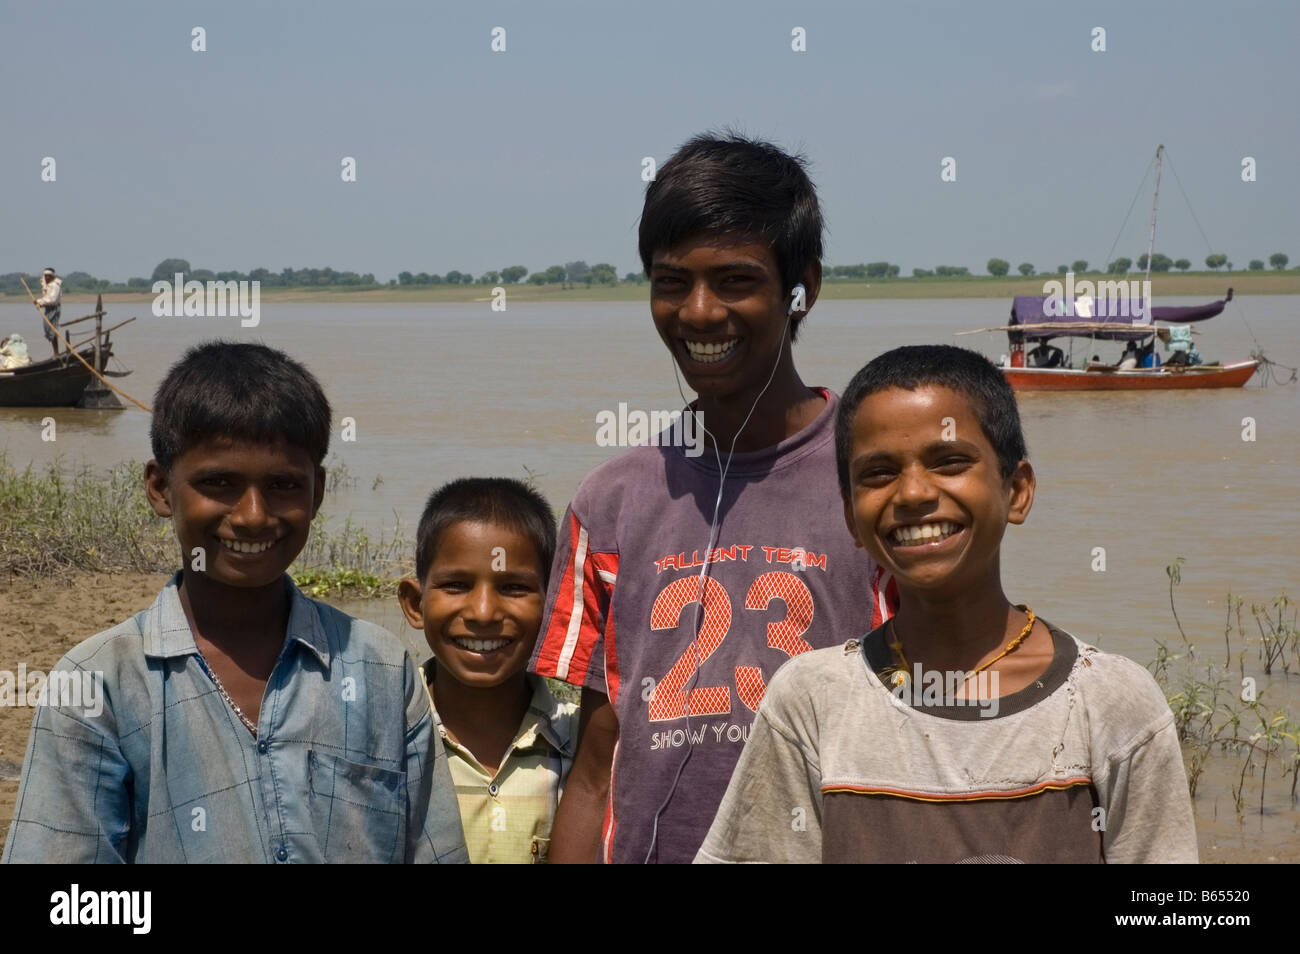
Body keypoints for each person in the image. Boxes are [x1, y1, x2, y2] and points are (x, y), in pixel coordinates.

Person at [531, 132, 896, 864]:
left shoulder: (878, 483)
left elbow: (926, 732)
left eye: (735, 281)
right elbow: (598, 766)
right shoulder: (611, 502)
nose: (699, 312)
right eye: (672, 282)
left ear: (803, 289)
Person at [696, 345, 1197, 863]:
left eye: (950, 462)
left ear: (1017, 490)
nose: (912, 493)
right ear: (850, 517)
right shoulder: (813, 700)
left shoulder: (1110, 702)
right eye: (878, 473)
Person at [3, 341, 468, 864]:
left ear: (316, 493)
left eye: (282, 485)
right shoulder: (97, 686)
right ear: (160, 489)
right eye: (219, 482)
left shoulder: (381, 667)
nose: (252, 515)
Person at [397, 477, 578, 863]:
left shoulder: (584, 747)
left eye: (513, 587)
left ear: (553, 607)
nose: (483, 613)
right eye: (457, 585)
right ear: (415, 604)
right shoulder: (385, 738)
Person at [33, 267, 62, 357]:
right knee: (47, 329)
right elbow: (46, 297)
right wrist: (40, 304)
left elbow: (52, 299)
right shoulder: (47, 284)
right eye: (45, 276)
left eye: (48, 276)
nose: (47, 278)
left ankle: (56, 353)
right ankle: (55, 352)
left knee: (52, 329)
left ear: (52, 276)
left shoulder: (55, 285)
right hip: (48, 308)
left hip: (53, 308)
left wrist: (40, 301)